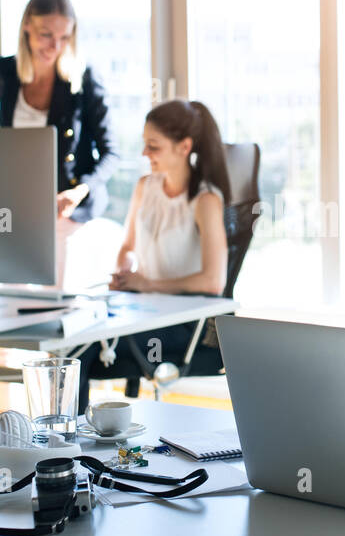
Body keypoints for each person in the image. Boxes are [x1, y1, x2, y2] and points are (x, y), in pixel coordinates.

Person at [77, 99, 231, 410]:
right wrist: (124, 275)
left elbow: (213, 281)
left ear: (184, 147)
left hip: (184, 323)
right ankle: (64, 442)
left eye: (154, 146)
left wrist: (147, 285)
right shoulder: (145, 187)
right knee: (73, 338)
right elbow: (127, 247)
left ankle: (64, 443)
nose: (145, 154)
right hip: (142, 310)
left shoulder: (205, 200)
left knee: (80, 352)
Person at [0, 0, 119, 288]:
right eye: (46, 34)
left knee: (56, 300)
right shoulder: (6, 72)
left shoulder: (83, 78)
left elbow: (111, 153)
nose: (55, 46)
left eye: (64, 38)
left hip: (68, 204)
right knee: (9, 294)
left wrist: (79, 192)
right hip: (20, 202)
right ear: (26, 26)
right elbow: (5, 143)